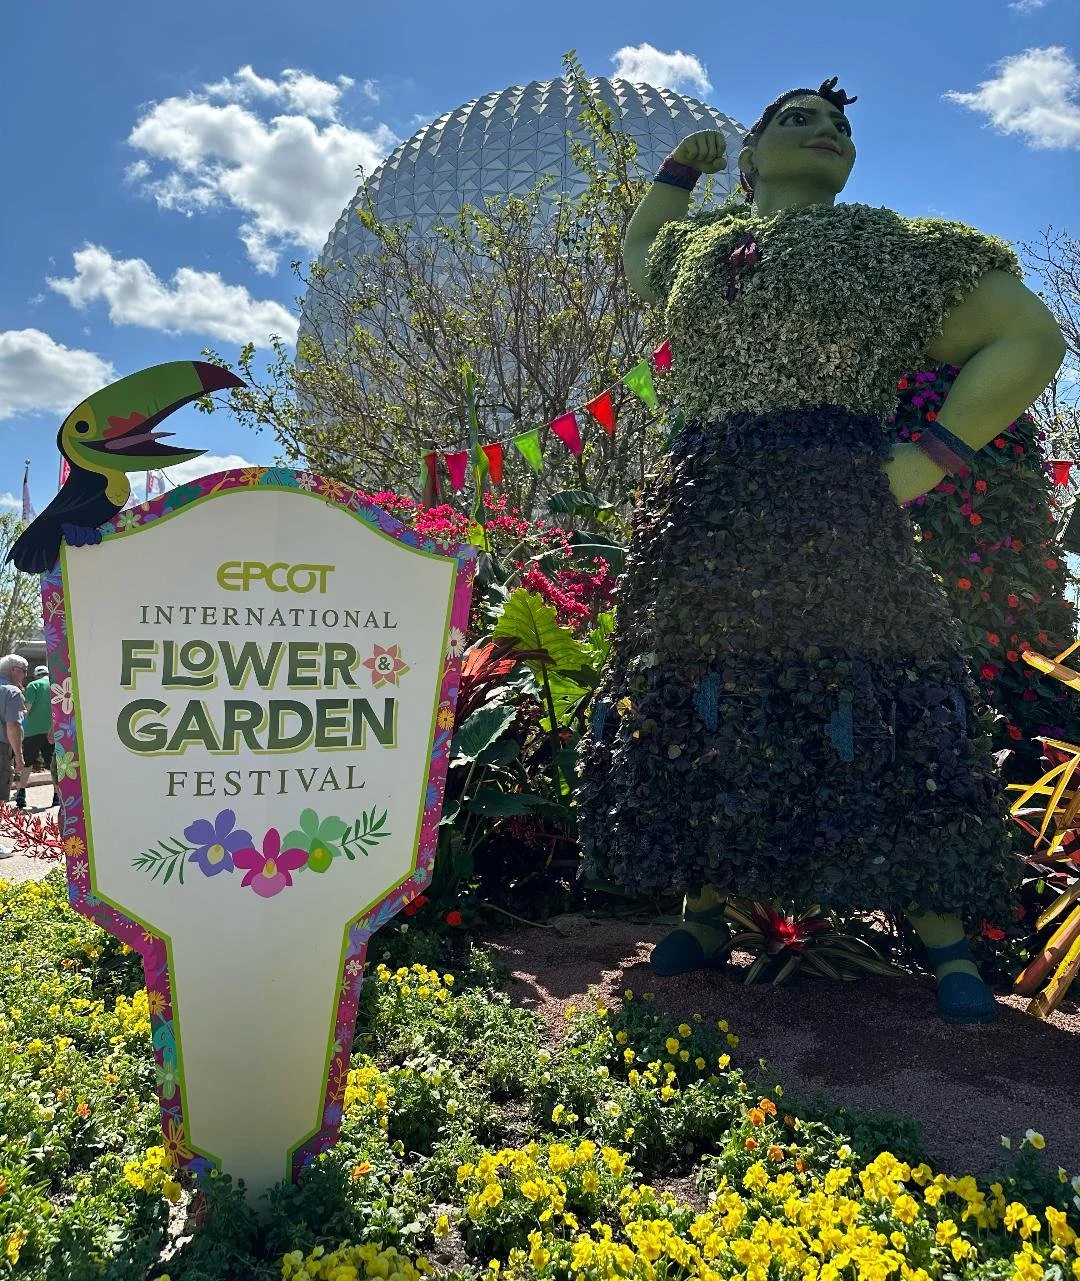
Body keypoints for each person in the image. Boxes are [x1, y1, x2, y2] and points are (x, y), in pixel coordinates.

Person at [576, 78, 1066, 1025]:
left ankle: (943, 938)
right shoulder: (697, 250)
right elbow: (640, 260)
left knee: (887, 687)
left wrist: (932, 457)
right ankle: (706, 911)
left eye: (839, 125)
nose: (827, 131)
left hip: (836, 493)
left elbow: (1029, 337)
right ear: (751, 155)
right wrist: (677, 171)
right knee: (705, 687)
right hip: (707, 500)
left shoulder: (888, 248)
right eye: (798, 119)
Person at [18, 665, 57, 810]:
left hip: (32, 731)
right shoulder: (54, 685)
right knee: (53, 765)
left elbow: (27, 708)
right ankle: (56, 796)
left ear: (35, 676)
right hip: (51, 731)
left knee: (28, 763)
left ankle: (21, 794)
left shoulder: (33, 685)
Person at [0, 654, 29, 837]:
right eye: (24, 671)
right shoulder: (11, 691)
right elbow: (13, 725)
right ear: (13, 670)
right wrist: (19, 755)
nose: (25, 675)